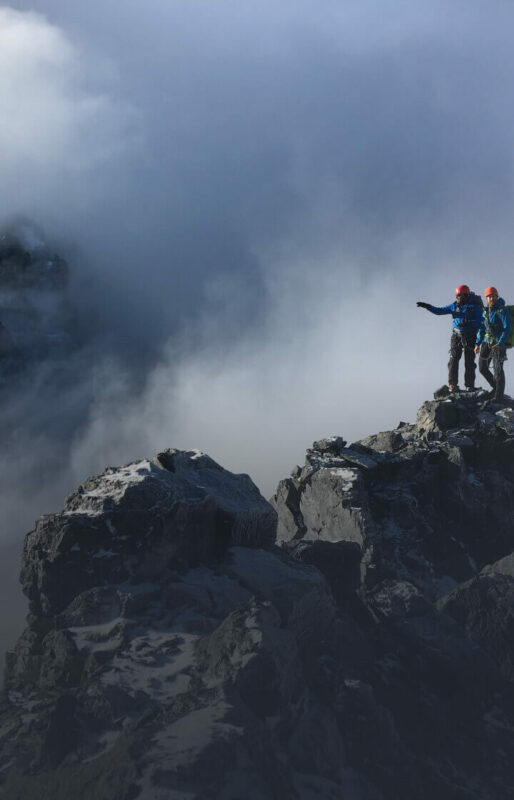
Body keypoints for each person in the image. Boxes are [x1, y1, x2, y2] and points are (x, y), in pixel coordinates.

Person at [416, 285, 483, 391]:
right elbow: (440, 311)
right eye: (457, 296)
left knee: (469, 361)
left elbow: (480, 321)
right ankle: (452, 385)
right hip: (456, 336)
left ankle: (469, 386)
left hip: (470, 336)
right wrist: (427, 306)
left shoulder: (475, 307)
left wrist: (468, 322)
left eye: (461, 296)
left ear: (466, 295)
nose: (459, 298)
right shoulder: (454, 306)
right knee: (453, 360)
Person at [474, 286, 512, 402]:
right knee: (482, 368)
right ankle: (496, 388)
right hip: (486, 343)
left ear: (496, 296)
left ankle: (498, 397)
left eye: (493, 296)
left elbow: (507, 328)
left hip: (498, 343)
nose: (491, 298)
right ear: (486, 298)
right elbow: (482, 328)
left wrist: (500, 342)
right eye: (489, 297)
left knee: (498, 369)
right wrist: (477, 343)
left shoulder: (502, 310)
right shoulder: (485, 312)